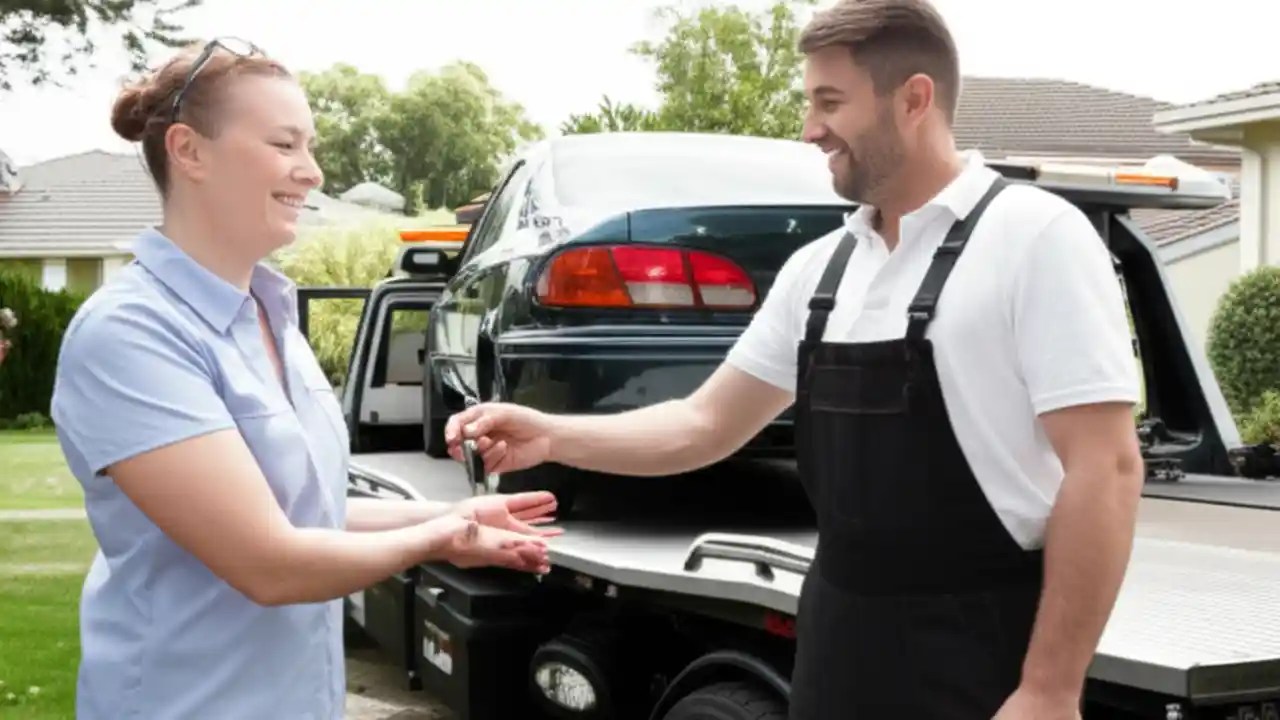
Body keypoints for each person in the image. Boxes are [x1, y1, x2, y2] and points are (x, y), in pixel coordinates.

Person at [445, 0, 1146, 717]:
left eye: (830, 102)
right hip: (839, 639)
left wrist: (1050, 690)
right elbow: (703, 425)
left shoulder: (1035, 238)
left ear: (914, 99)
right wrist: (555, 434)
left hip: (981, 649)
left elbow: (1107, 468)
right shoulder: (821, 270)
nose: (810, 129)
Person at [49, 38, 557, 720]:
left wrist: (450, 512)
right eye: (285, 145)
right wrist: (443, 542)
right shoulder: (130, 333)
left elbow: (305, 513)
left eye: (309, 147)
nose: (311, 172)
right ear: (188, 151)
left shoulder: (272, 314)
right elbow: (269, 561)